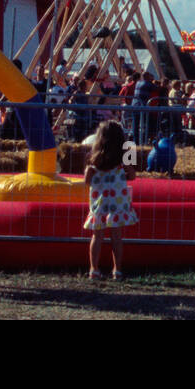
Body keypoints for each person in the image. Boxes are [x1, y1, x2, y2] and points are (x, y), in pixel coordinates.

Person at [83, 119, 139, 279]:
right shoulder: (123, 158)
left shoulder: (93, 160)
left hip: (99, 203)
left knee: (97, 236)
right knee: (117, 237)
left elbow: (87, 182)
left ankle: (93, 269)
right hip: (117, 203)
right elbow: (133, 177)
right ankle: (117, 270)